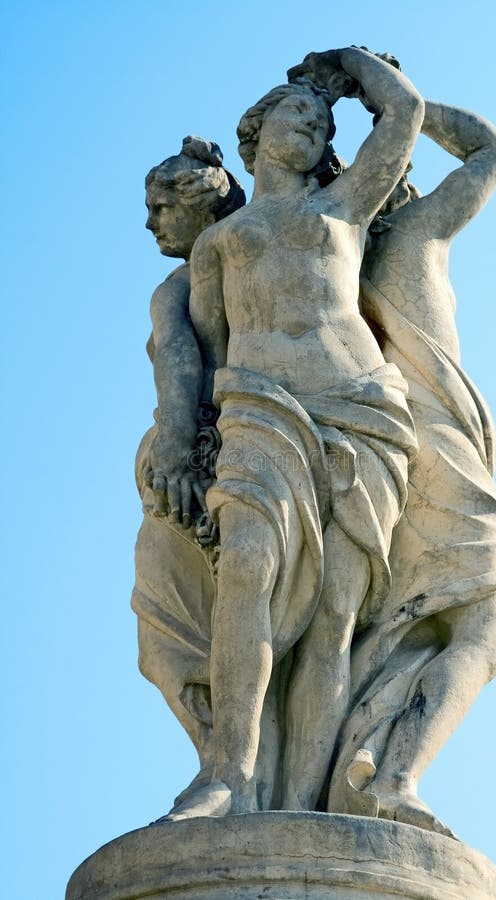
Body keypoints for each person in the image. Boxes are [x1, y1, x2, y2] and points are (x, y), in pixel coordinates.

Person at [148, 47, 424, 817]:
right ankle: (226, 776)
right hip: (259, 409)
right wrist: (177, 439)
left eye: (319, 120)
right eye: (295, 113)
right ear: (256, 130)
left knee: (337, 614)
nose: (310, 124)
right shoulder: (219, 244)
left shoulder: (344, 207)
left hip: (360, 405)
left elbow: (404, 115)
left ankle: (310, 801)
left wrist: (350, 64)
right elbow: (199, 358)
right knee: (245, 565)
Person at [327, 93, 496, 837]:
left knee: (396, 631)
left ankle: (366, 766)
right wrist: (401, 104)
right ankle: (398, 780)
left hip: (376, 450)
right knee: (481, 632)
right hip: (436, 448)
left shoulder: (335, 248)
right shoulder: (413, 233)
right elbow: (490, 152)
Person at [132, 137, 245, 789]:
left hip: (206, 461)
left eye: (158, 206)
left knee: (168, 632)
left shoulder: (184, 285)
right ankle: (227, 767)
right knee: (168, 638)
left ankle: (228, 767)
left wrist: (176, 444)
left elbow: (180, 360)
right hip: (220, 454)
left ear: (199, 204)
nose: (150, 223)